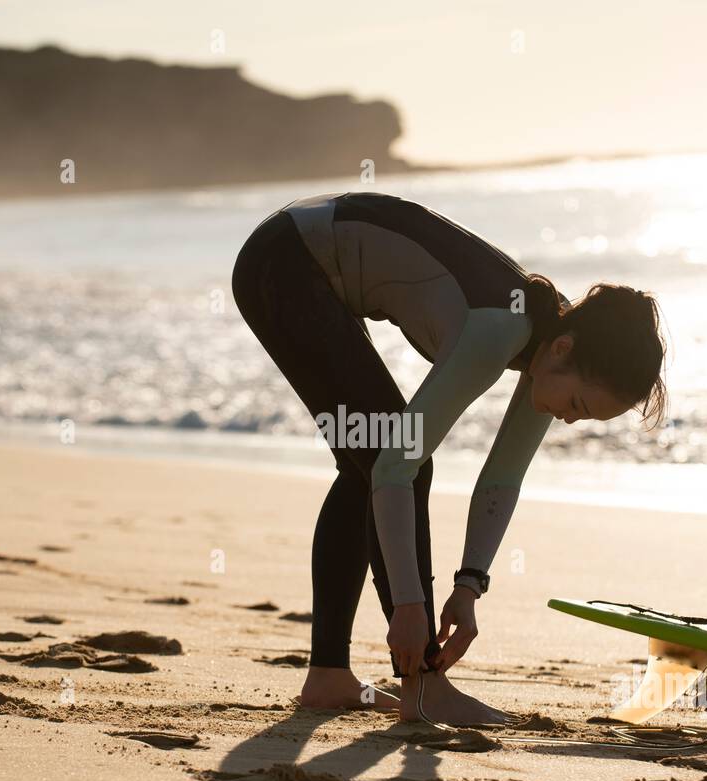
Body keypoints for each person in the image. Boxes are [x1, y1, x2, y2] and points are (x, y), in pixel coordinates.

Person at [230, 191, 667, 725]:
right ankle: (423, 686)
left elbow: (503, 478)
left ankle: (328, 676)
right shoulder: (498, 329)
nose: (570, 420)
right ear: (563, 350)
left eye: (585, 417)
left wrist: (469, 587)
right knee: (396, 461)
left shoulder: (543, 346)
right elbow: (397, 467)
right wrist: (411, 606)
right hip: (284, 262)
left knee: (370, 460)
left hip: (313, 269)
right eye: (576, 405)